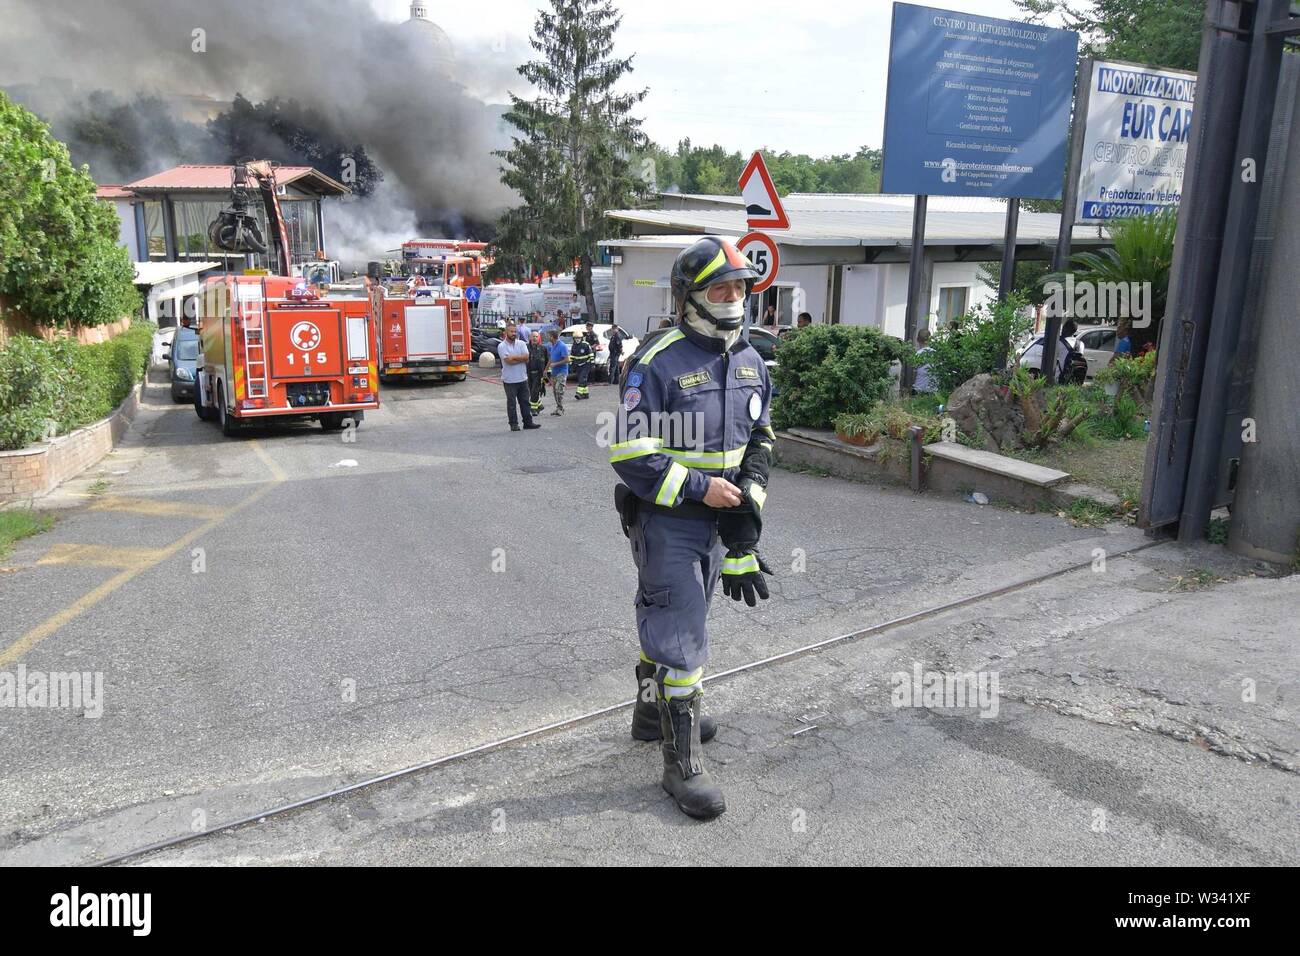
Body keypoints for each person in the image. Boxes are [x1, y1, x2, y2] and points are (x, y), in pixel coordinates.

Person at [610, 236, 775, 820]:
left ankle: (654, 713)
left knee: (680, 621)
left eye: (740, 287)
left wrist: (743, 531)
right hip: (668, 519)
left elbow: (759, 442)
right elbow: (630, 453)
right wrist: (702, 488)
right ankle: (681, 767)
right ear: (689, 298)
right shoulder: (656, 362)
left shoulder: (752, 359)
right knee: (682, 640)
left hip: (716, 526)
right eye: (719, 289)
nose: (733, 298)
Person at [496, 322, 540, 431]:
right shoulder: (502, 346)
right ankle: (513, 424)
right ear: (506, 332)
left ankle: (528, 423)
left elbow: (526, 358)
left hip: (522, 379)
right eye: (511, 331)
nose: (514, 333)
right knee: (511, 404)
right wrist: (520, 359)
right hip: (509, 380)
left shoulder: (521, 344)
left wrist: (514, 358)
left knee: (525, 402)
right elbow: (508, 361)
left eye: (515, 331)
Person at [546, 329, 569, 415]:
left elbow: (567, 360)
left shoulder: (562, 346)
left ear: (552, 337)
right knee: (555, 391)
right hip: (554, 372)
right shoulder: (552, 346)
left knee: (559, 390)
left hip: (562, 372)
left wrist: (555, 364)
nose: (548, 337)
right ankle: (558, 407)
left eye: (549, 336)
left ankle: (560, 408)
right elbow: (550, 359)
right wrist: (546, 370)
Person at [526, 331, 548, 416]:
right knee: (531, 391)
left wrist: (546, 374)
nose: (535, 338)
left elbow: (547, 362)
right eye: (533, 336)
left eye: (536, 336)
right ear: (530, 338)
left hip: (539, 374)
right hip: (528, 373)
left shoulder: (543, 348)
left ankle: (533, 409)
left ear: (538, 338)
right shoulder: (526, 347)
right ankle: (539, 405)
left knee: (535, 391)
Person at [571, 328, 594, 400]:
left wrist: (592, 364)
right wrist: (571, 364)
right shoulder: (574, 346)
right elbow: (572, 356)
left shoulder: (586, 345)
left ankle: (579, 393)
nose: (577, 339)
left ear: (581, 338)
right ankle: (586, 394)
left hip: (586, 364)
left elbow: (591, 354)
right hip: (578, 365)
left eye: (579, 338)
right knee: (583, 379)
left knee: (582, 378)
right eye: (576, 338)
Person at [913, 326, 936, 393]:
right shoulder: (936, 353)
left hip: (919, 388)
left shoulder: (918, 354)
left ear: (917, 340)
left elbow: (914, 373)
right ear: (930, 339)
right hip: (933, 390)